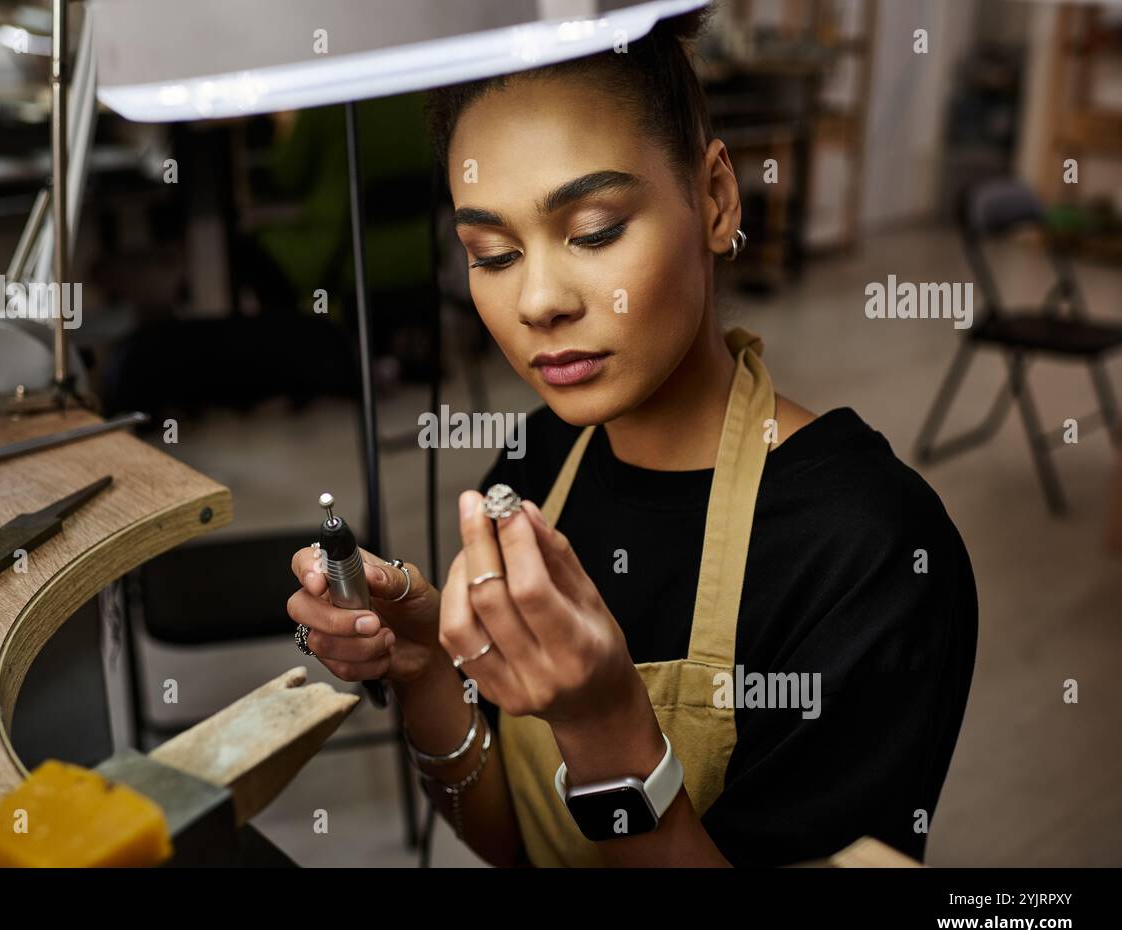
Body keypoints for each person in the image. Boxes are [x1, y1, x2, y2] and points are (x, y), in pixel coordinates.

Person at [286, 6, 978, 867]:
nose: (539, 301)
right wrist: (425, 668)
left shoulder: (873, 553)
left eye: (594, 232)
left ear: (717, 200)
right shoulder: (536, 466)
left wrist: (607, 728)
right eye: (492, 252)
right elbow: (512, 842)